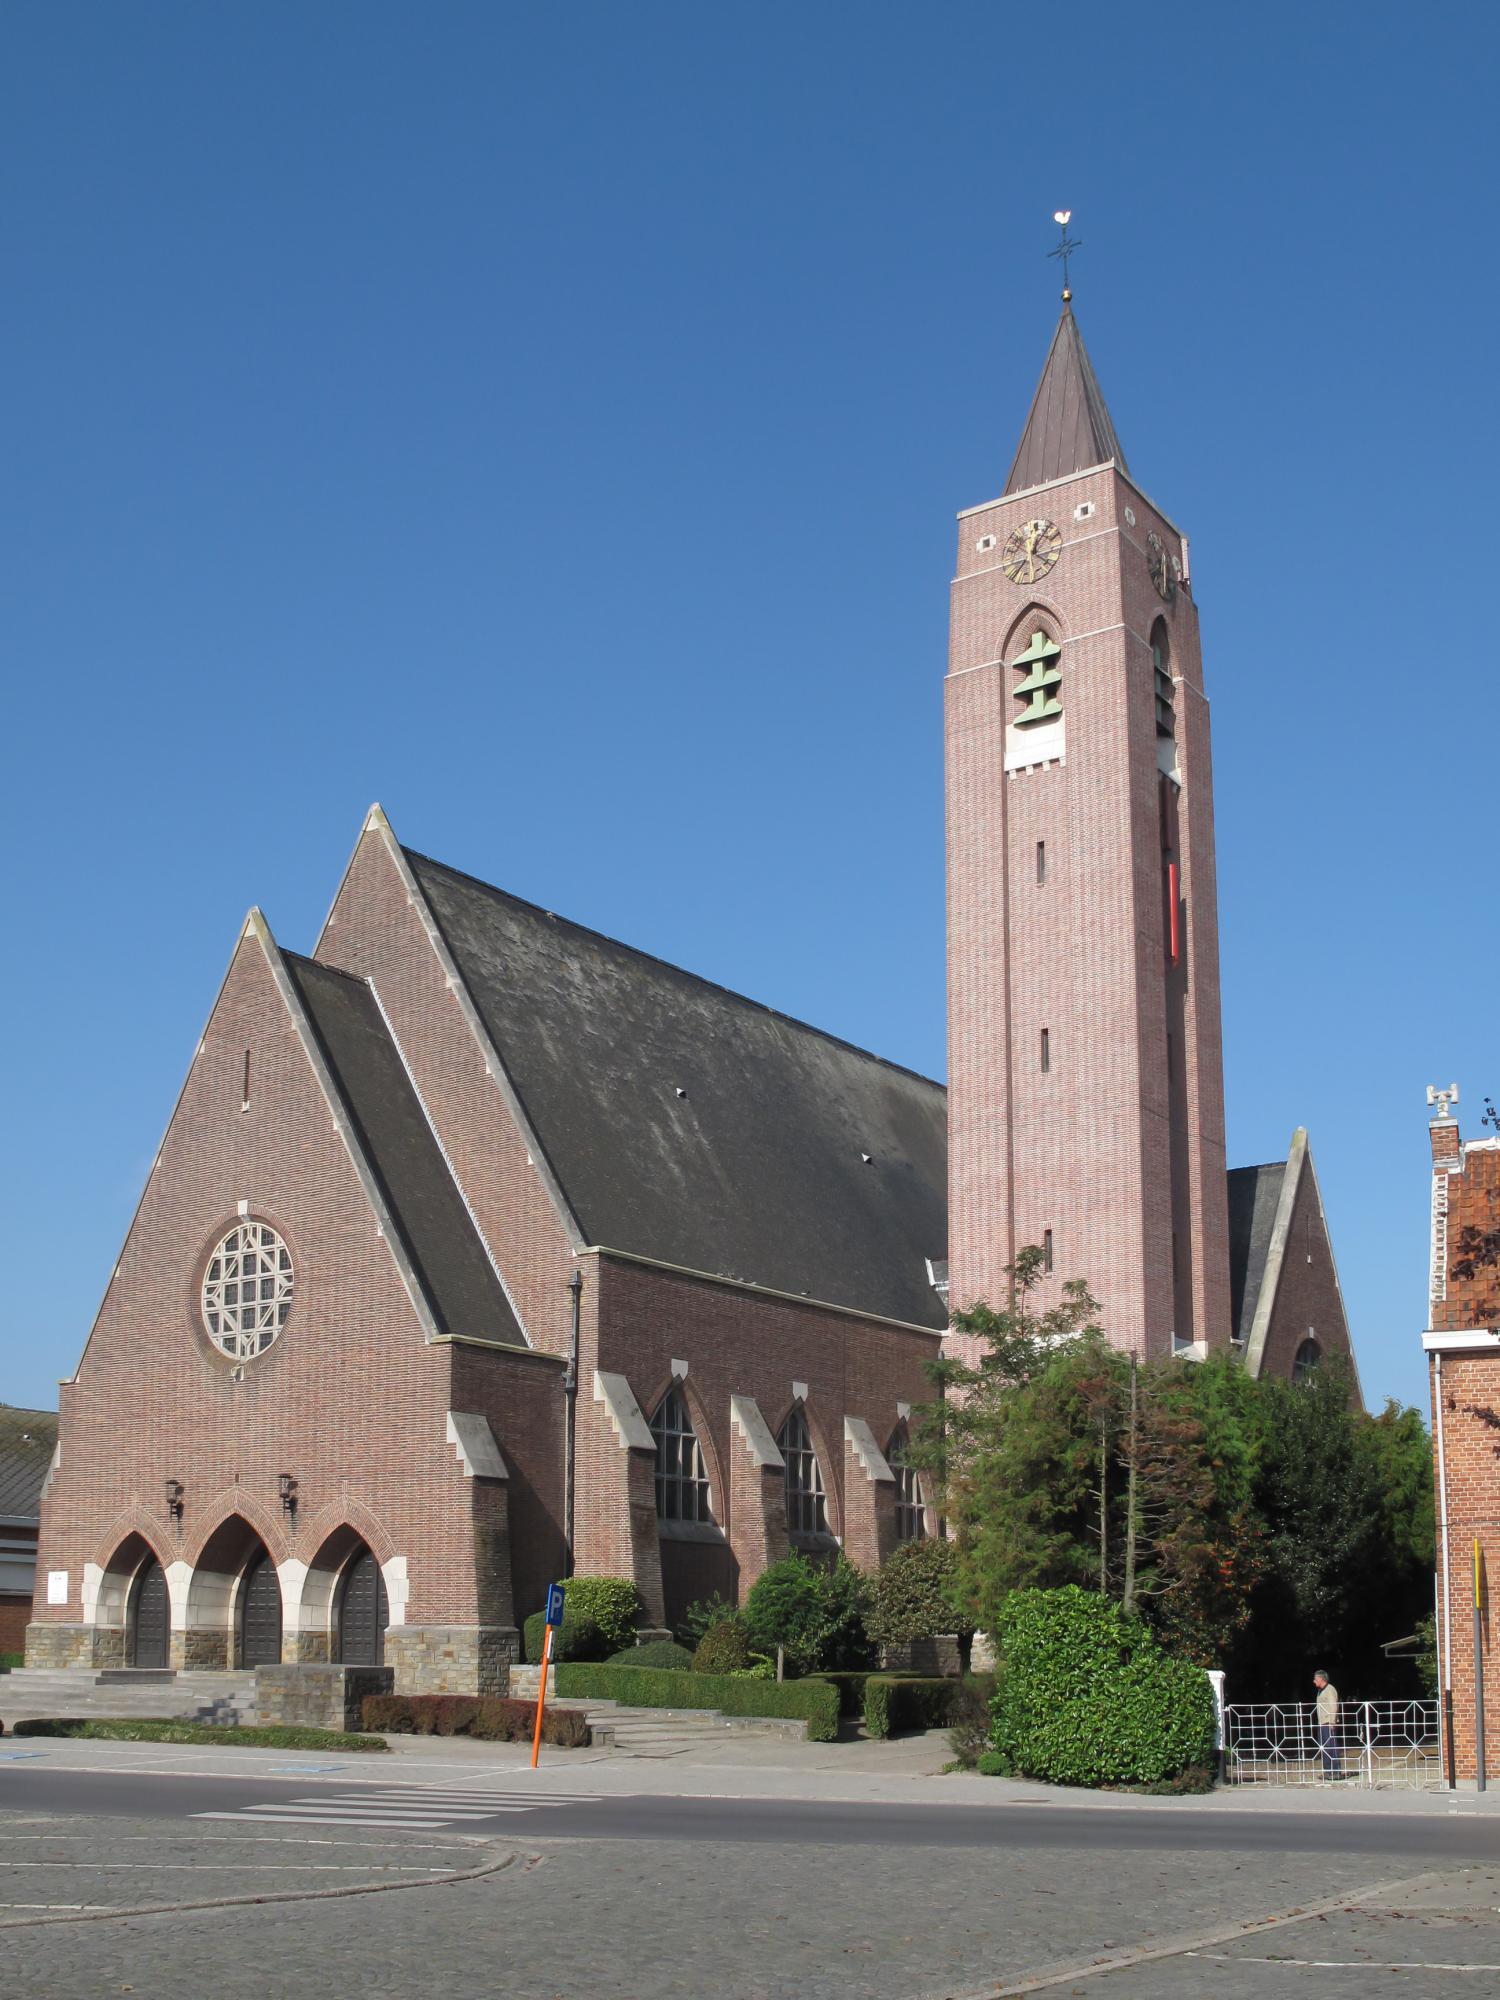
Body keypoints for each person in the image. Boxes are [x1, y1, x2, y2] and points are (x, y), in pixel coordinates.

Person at [1313, 1669, 1340, 1777]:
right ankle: (1328, 1771)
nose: (1314, 1681)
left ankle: (1336, 1771)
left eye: (1315, 1679)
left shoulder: (1330, 1689)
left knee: (1331, 1747)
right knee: (1324, 1747)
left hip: (1328, 1722)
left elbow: (1334, 1706)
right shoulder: (1320, 1691)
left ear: (1320, 1679)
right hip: (1322, 1722)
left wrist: (1333, 1722)